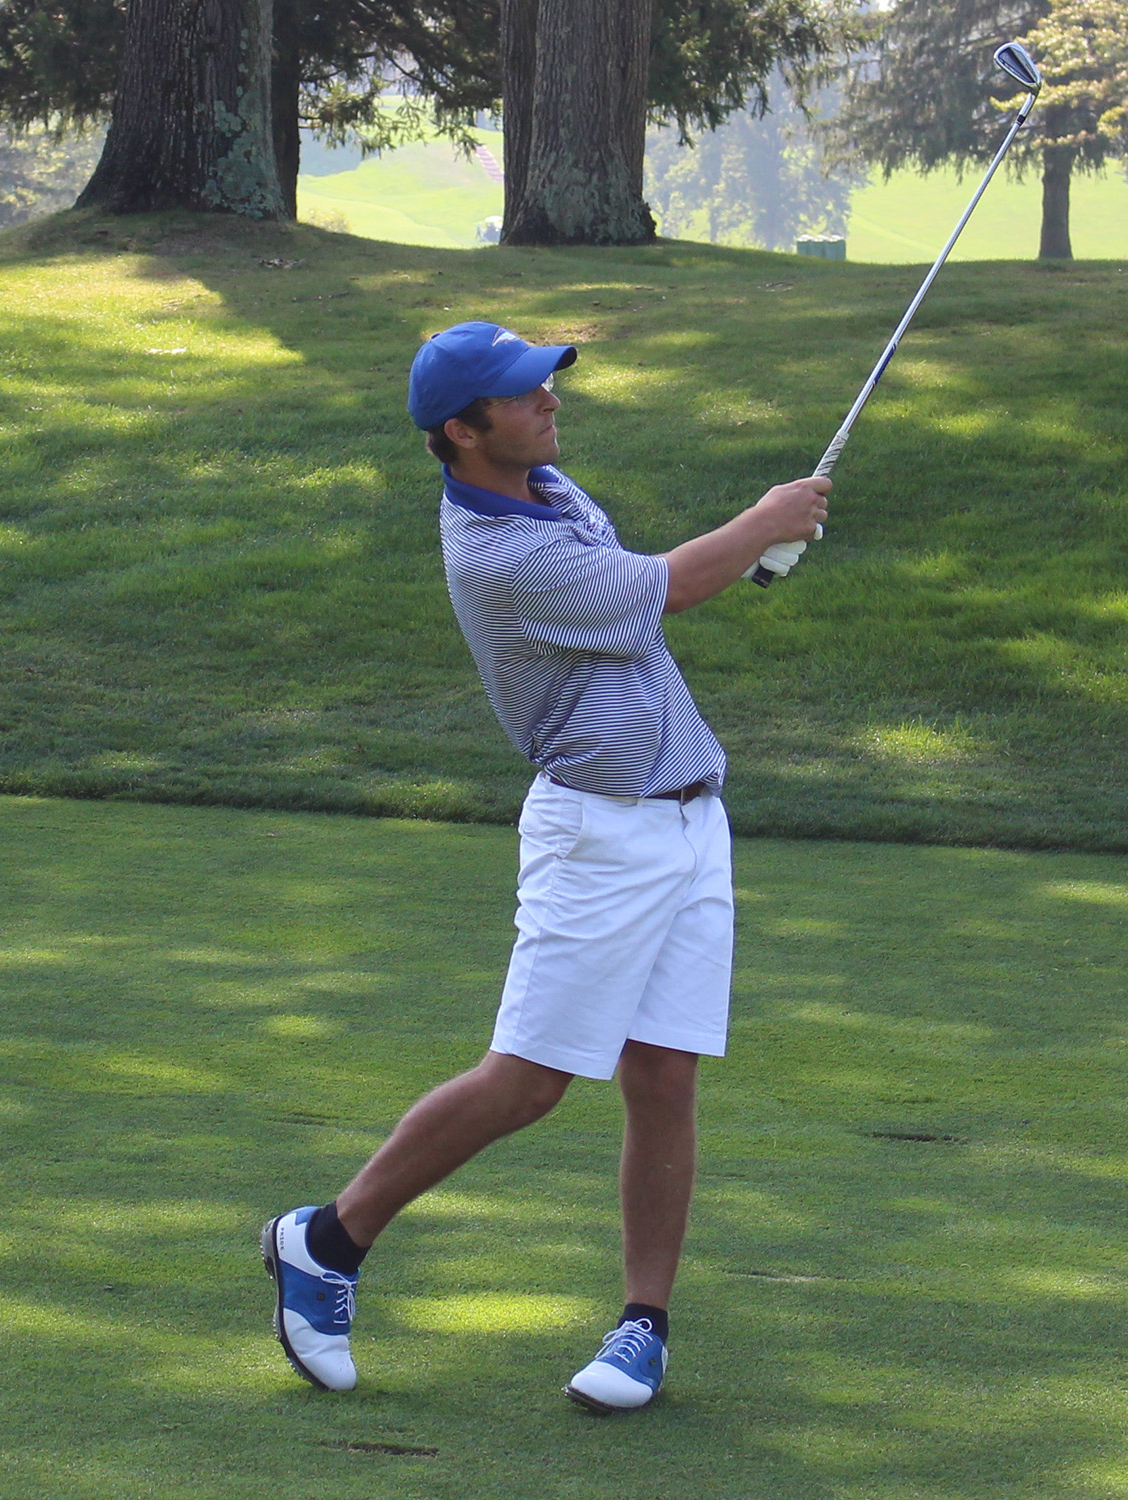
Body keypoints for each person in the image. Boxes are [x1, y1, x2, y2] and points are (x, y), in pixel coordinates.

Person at [262, 320, 830, 1412]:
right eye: (525, 397)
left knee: (665, 1075)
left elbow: (647, 586)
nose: (552, 403)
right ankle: (326, 1241)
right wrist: (760, 522)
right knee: (528, 1081)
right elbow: (659, 591)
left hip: (689, 822)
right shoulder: (501, 556)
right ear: (462, 432)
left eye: (548, 384)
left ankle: (642, 1328)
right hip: (597, 835)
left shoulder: (551, 495)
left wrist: (751, 548)